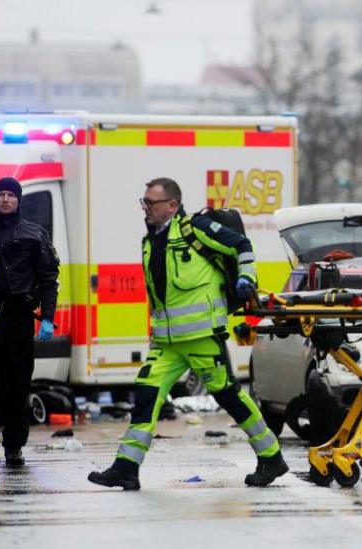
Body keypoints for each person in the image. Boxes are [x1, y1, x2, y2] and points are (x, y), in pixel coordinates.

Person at [88, 177, 287, 490]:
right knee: (146, 395)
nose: (145, 208)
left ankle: (271, 457)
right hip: (167, 344)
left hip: (202, 337)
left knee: (229, 395)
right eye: (143, 202)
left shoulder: (195, 229)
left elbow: (241, 245)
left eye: (151, 202)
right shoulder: (150, 241)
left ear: (172, 205)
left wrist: (247, 277)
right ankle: (126, 467)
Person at [0, 176, 59, 468]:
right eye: (1, 194)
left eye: (11, 195)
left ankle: (13, 446)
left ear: (19, 200)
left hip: (19, 318)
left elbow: (48, 279)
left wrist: (48, 318)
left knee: (18, 384)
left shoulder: (34, 234)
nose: (6, 199)